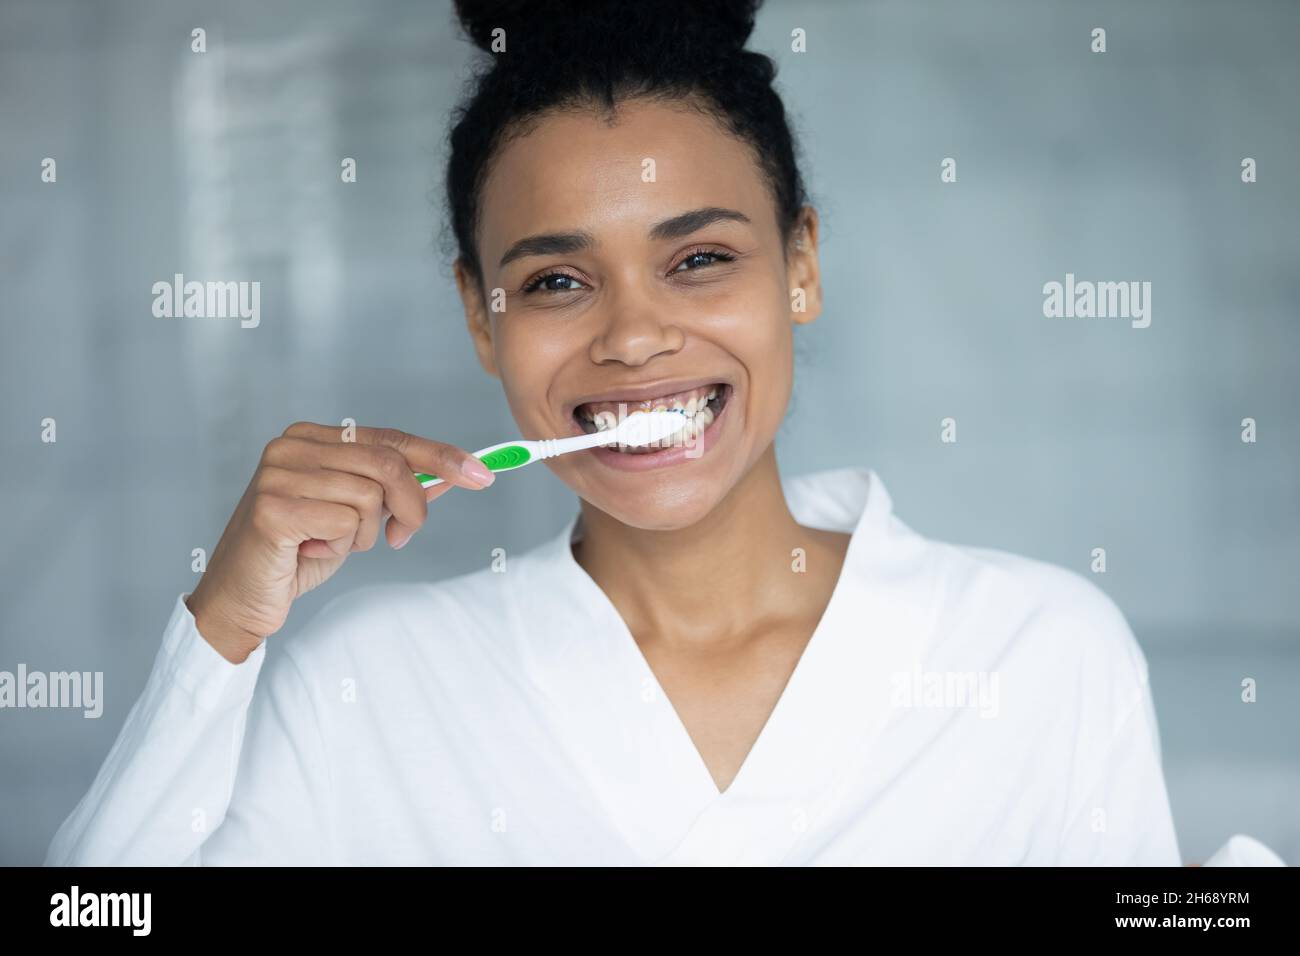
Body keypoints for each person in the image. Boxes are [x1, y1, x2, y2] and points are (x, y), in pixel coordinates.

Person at [45, 0, 1180, 866]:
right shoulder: (367, 686)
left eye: (699, 259)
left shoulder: (1040, 654)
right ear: (478, 318)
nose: (635, 338)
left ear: (801, 266)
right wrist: (221, 633)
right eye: (554, 281)